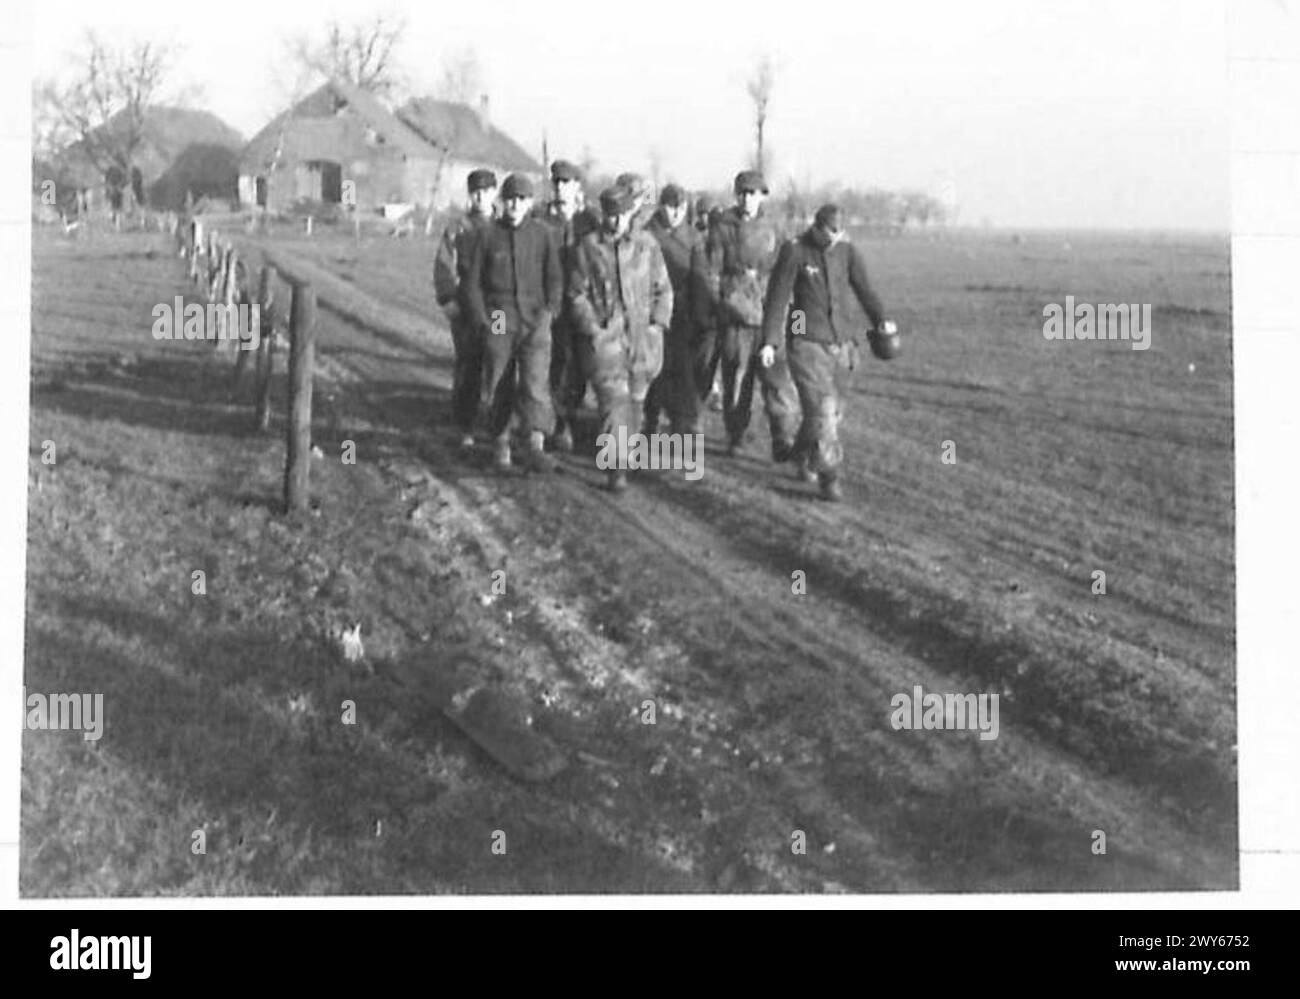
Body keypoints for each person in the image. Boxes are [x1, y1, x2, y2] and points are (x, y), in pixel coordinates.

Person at [759, 203, 895, 501]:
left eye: (840, 231)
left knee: (832, 412)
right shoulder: (794, 251)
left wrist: (881, 320)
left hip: (843, 343)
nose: (836, 237)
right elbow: (778, 298)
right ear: (817, 226)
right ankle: (829, 477)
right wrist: (770, 341)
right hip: (806, 342)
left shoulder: (847, 253)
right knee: (823, 410)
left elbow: (865, 290)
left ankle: (800, 452)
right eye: (830, 231)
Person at [568, 186, 674, 493]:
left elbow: (663, 288)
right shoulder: (588, 247)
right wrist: (593, 328)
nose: (616, 222)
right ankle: (616, 469)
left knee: (636, 403)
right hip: (607, 340)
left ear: (631, 213)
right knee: (613, 403)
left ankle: (628, 456)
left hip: (643, 339)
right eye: (611, 216)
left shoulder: (646, 245)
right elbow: (576, 293)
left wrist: (658, 324)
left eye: (622, 215)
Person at [460, 173, 563, 473]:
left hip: (534, 316)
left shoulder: (542, 235)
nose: (515, 205)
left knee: (535, 381)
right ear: (501, 202)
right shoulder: (488, 235)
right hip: (501, 314)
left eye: (522, 199)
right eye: (510, 199)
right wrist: (484, 320)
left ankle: (534, 444)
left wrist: (550, 311)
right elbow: (472, 285)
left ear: (530, 202)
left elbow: (554, 277)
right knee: (499, 379)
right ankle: (501, 443)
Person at [706, 169, 801, 459]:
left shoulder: (776, 228)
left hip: (771, 313)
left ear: (762, 196)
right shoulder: (723, 227)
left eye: (753, 193)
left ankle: (782, 437)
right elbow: (712, 272)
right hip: (736, 317)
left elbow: (788, 270)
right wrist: (727, 300)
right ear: (736, 195)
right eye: (743, 193)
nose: (748, 199)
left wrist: (789, 308)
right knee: (737, 379)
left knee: (778, 380)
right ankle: (736, 433)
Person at [433, 168, 499, 450]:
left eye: (486, 191)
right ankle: (466, 425)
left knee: (499, 363)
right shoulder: (458, 227)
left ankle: (498, 427)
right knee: (468, 365)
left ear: (495, 192)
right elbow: (444, 265)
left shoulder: (504, 226)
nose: (481, 197)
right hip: (465, 309)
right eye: (475, 192)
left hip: (497, 307)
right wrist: (448, 299)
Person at [539, 159, 601, 453]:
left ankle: (570, 417)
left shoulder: (589, 222)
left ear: (577, 186)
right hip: (549, 304)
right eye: (557, 182)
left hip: (581, 305)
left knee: (581, 364)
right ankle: (556, 423)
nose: (561, 188)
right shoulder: (540, 220)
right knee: (553, 362)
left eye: (567, 182)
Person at [643, 183, 710, 435]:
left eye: (681, 208)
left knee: (681, 368)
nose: (676, 213)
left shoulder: (693, 237)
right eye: (671, 207)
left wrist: (701, 315)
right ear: (661, 206)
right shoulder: (648, 233)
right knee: (652, 368)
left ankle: (680, 422)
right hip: (652, 309)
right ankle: (649, 418)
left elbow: (699, 276)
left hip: (682, 312)